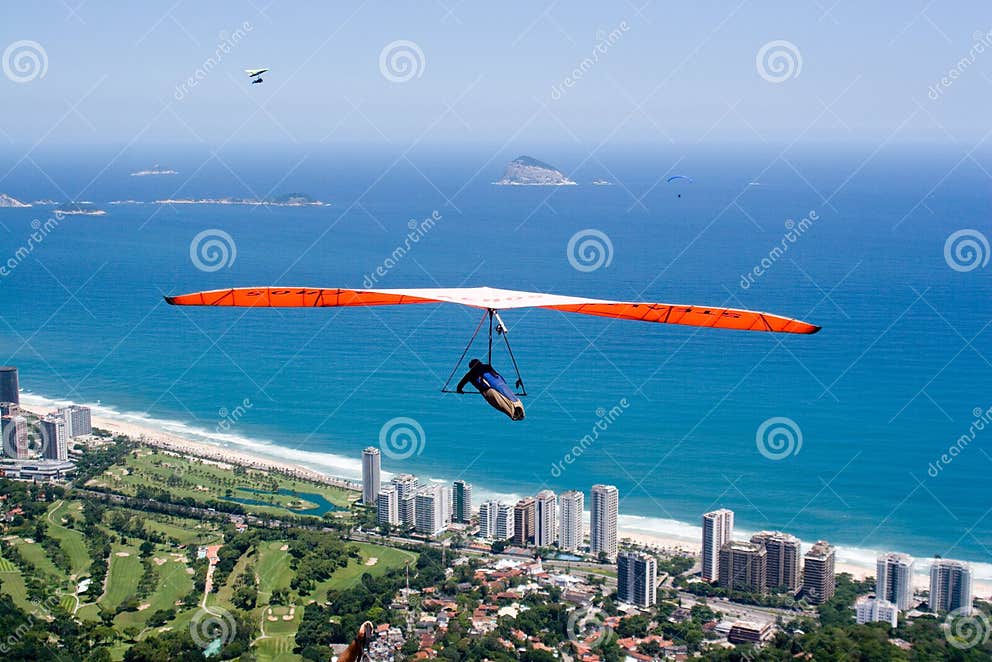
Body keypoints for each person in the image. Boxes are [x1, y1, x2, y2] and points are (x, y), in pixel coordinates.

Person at [456, 358, 525, 421]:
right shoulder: (487, 367)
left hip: (490, 390)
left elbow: (460, 385)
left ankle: (513, 410)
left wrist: (459, 390)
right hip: (502, 385)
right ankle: (516, 407)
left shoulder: (471, 373)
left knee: (500, 402)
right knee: (508, 398)